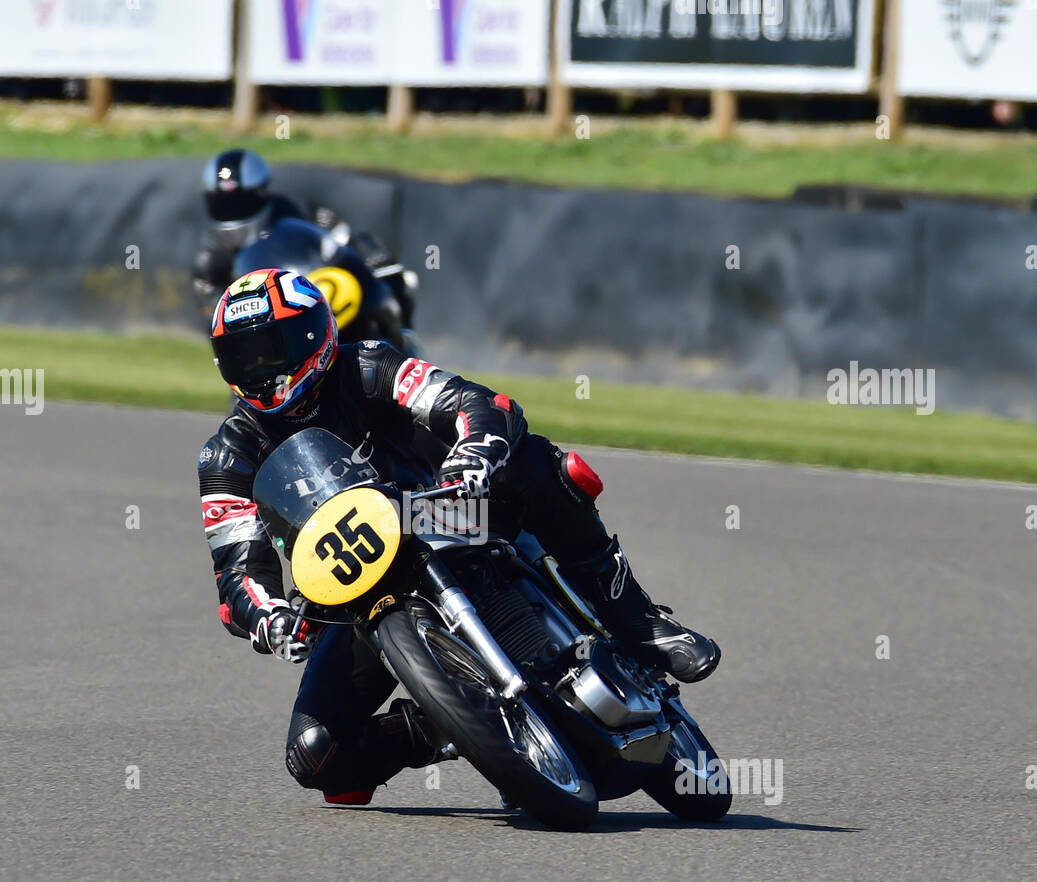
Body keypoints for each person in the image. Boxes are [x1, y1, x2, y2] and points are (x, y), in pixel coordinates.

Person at [197, 268, 720, 805]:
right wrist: (269, 617)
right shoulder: (225, 457)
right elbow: (237, 573)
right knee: (314, 754)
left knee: (539, 461)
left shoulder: (370, 364)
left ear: (315, 335)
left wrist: (472, 455)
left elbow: (476, 403)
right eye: (245, 358)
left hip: (449, 514)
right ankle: (441, 723)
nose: (263, 369)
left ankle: (639, 620)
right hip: (356, 588)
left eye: (273, 349)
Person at [191, 148, 415, 327]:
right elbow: (212, 312)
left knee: (397, 285)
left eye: (241, 203)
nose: (233, 212)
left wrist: (374, 256)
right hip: (271, 329)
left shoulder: (294, 209)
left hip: (322, 295)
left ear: (261, 193)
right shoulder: (211, 255)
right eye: (224, 205)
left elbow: (343, 235)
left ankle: (402, 342)